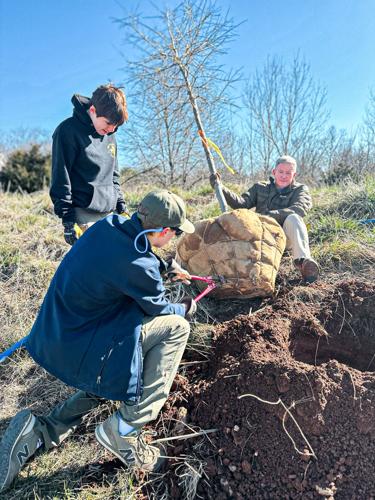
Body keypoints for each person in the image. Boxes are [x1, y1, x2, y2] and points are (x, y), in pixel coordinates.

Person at [0, 190, 197, 493]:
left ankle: (41, 432)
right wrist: (186, 306)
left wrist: (164, 266)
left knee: (120, 363)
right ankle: (126, 429)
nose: (172, 239)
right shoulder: (138, 265)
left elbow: (124, 263)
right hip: (82, 343)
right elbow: (158, 307)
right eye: (173, 233)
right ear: (164, 231)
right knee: (176, 328)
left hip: (58, 333)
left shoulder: (109, 226)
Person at [210, 155, 319, 283]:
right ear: (274, 172)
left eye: (288, 173)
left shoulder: (300, 190)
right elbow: (241, 203)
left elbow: (300, 208)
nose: (284, 175)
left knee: (294, 218)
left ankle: (304, 263)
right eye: (281, 172)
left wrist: (268, 216)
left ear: (294, 175)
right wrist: (221, 188)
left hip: (284, 239)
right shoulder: (260, 187)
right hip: (259, 238)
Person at [50, 83, 129, 246]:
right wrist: (68, 220)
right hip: (84, 214)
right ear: (93, 111)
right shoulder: (67, 131)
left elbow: (113, 174)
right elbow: (61, 176)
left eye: (116, 126)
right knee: (95, 264)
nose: (112, 129)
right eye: (108, 123)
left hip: (110, 211)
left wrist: (120, 204)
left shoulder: (110, 134)